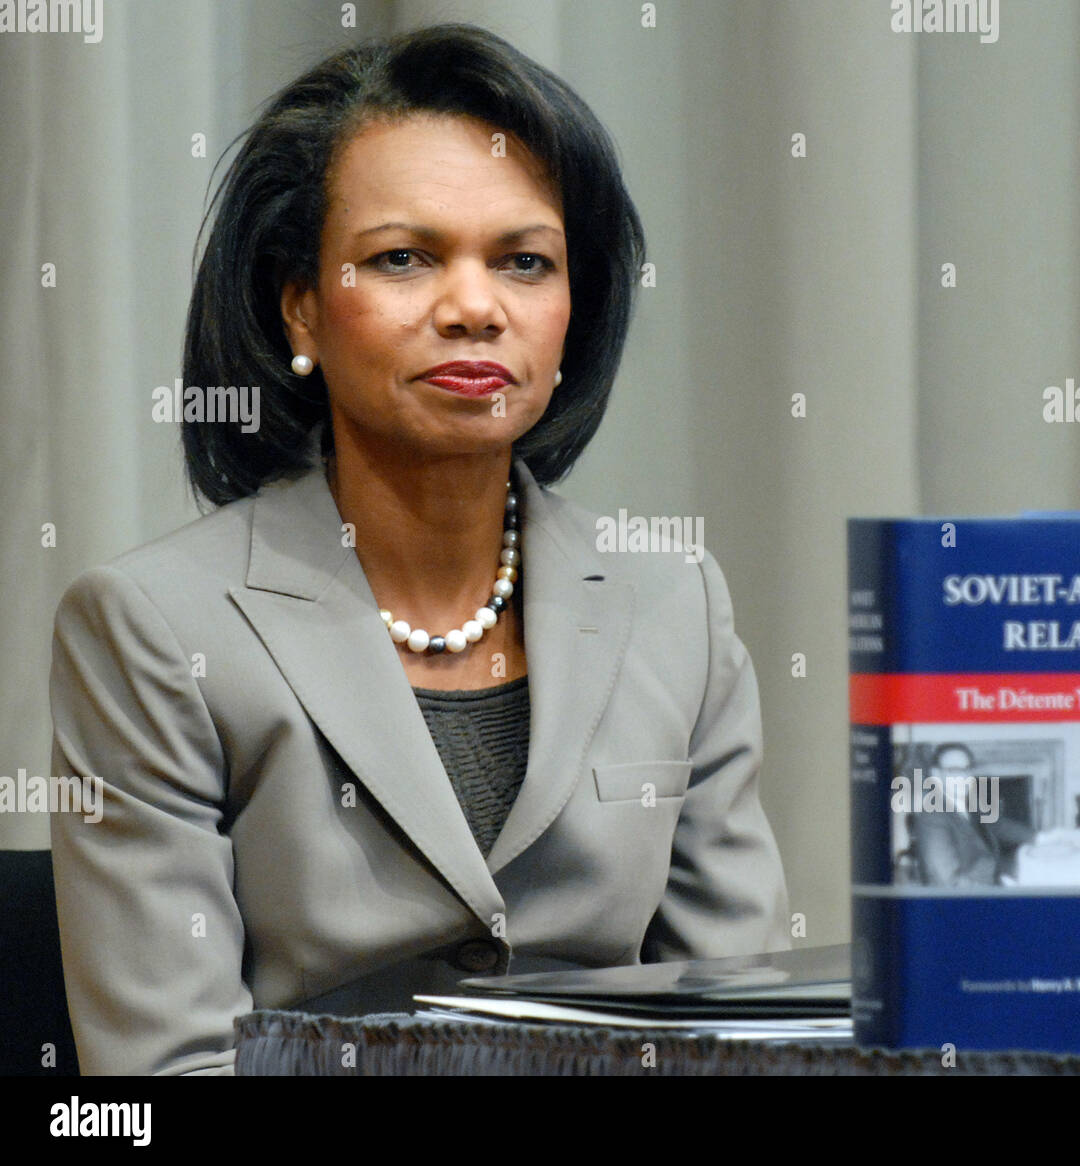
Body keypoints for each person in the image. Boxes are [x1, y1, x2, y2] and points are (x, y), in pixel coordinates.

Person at [47, 24, 789, 1075]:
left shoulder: (677, 605)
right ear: (299, 302)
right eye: (405, 258)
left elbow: (745, 1031)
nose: (476, 307)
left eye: (525, 262)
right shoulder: (152, 626)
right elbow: (168, 1074)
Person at [907, 743, 1034, 887]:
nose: (963, 777)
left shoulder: (967, 803)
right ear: (936, 774)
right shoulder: (931, 817)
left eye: (967, 769)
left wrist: (1041, 838)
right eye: (954, 770)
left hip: (992, 879)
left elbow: (997, 825)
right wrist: (1002, 892)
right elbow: (950, 882)